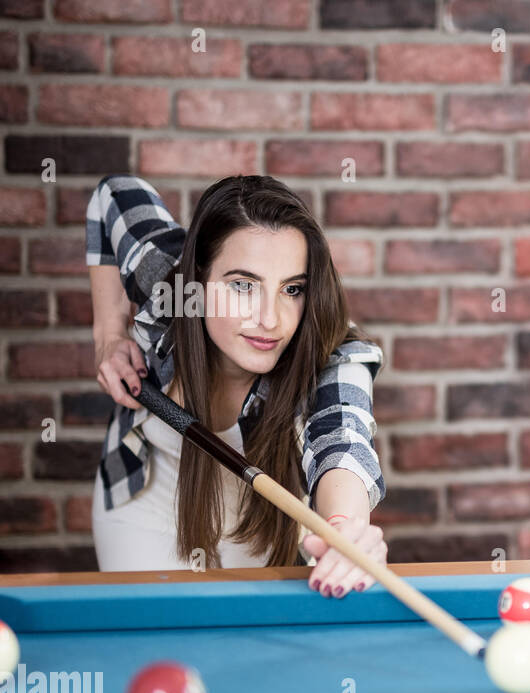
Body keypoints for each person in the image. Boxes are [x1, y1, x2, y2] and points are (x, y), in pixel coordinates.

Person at [87, 174, 388, 597]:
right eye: (244, 285)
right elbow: (111, 195)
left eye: (292, 288)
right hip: (143, 502)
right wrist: (109, 337)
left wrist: (345, 528)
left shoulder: (332, 354)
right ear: (198, 280)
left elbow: (342, 439)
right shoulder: (165, 283)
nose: (271, 318)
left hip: (260, 530)